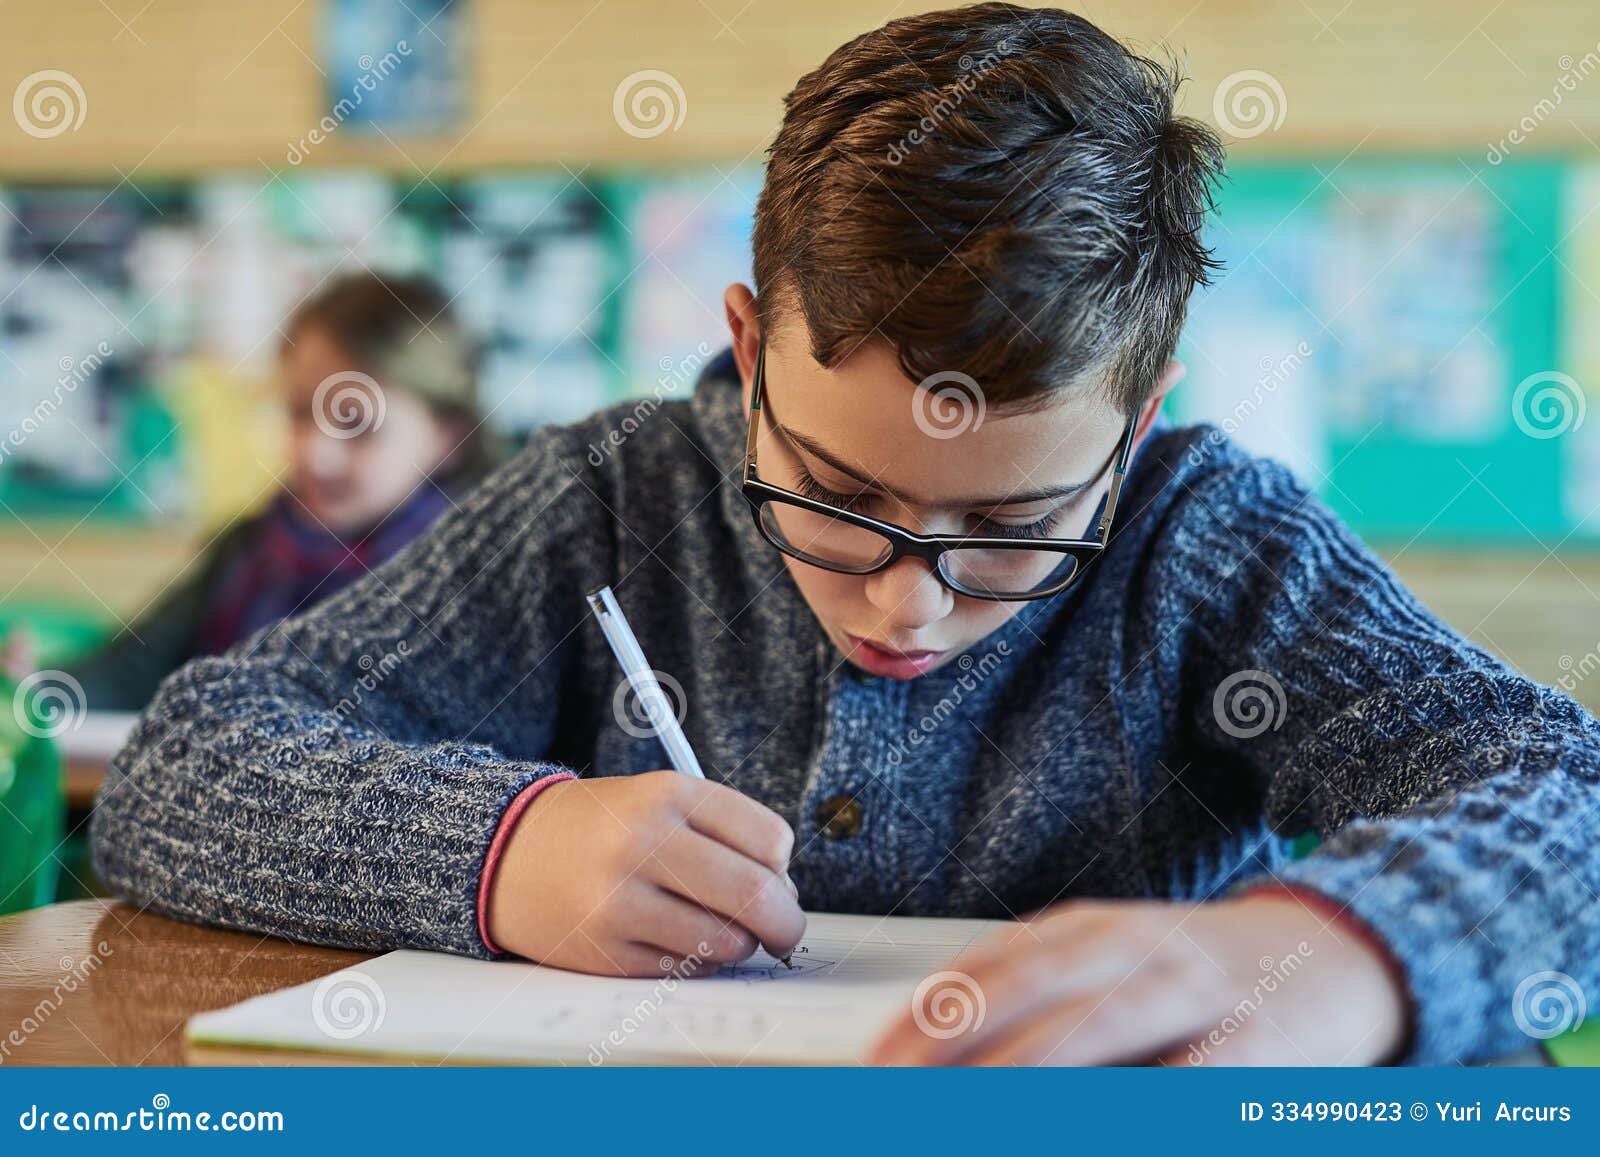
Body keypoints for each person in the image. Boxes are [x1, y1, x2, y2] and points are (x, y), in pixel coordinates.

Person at [93, 4, 1598, 1066]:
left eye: (1009, 528)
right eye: (837, 494)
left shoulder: (1211, 540)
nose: (908, 603)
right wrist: (502, 849)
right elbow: (184, 760)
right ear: (749, 351)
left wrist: (1340, 952)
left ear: (1132, 434)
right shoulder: (617, 497)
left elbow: (1566, 788)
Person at [5, 272, 490, 711]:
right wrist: (27, 687)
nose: (317, 454)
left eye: (358, 425)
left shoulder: (481, 584)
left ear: (449, 437)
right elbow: (126, 673)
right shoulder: (249, 547)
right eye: (300, 412)